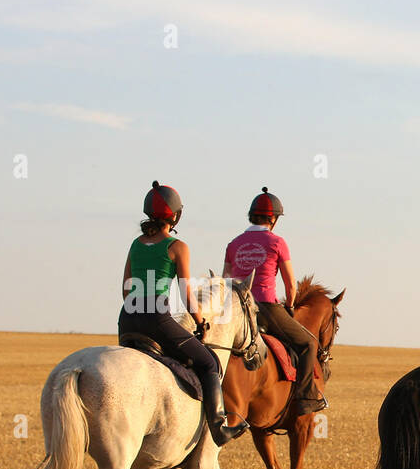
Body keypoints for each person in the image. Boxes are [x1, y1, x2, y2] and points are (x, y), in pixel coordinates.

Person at [119, 181, 248, 446]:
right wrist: (201, 321)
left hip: (128, 318)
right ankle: (219, 429)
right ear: (176, 215)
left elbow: (126, 288)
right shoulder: (177, 246)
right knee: (209, 362)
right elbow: (187, 295)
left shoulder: (135, 244)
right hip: (157, 319)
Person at [223, 187, 326, 415]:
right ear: (273, 219)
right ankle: (306, 397)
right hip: (266, 307)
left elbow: (225, 281)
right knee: (308, 344)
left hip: (238, 310)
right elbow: (290, 284)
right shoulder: (277, 243)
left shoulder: (234, 244)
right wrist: (289, 306)